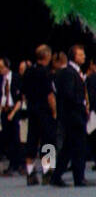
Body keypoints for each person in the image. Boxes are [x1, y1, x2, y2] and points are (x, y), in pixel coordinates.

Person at [51, 45, 91, 187]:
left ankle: (55, 175)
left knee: (67, 148)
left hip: (69, 115)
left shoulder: (70, 72)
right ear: (74, 56)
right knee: (78, 147)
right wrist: (81, 104)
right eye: (81, 54)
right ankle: (78, 178)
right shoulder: (69, 73)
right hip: (73, 115)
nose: (84, 57)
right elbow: (69, 94)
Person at [21, 44, 58, 185]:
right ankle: (47, 172)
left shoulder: (28, 71)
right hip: (45, 111)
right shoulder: (46, 73)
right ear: (47, 56)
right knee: (48, 141)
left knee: (31, 140)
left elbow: (23, 93)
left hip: (32, 110)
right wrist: (55, 111)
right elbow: (50, 95)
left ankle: (30, 173)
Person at [0, 58, 22, 175]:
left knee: (16, 138)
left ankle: (18, 163)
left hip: (14, 109)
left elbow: (20, 98)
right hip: (4, 110)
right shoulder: (1, 80)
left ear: (7, 67)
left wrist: (13, 113)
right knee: (7, 138)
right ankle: (12, 163)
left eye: (2, 67)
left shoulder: (16, 78)